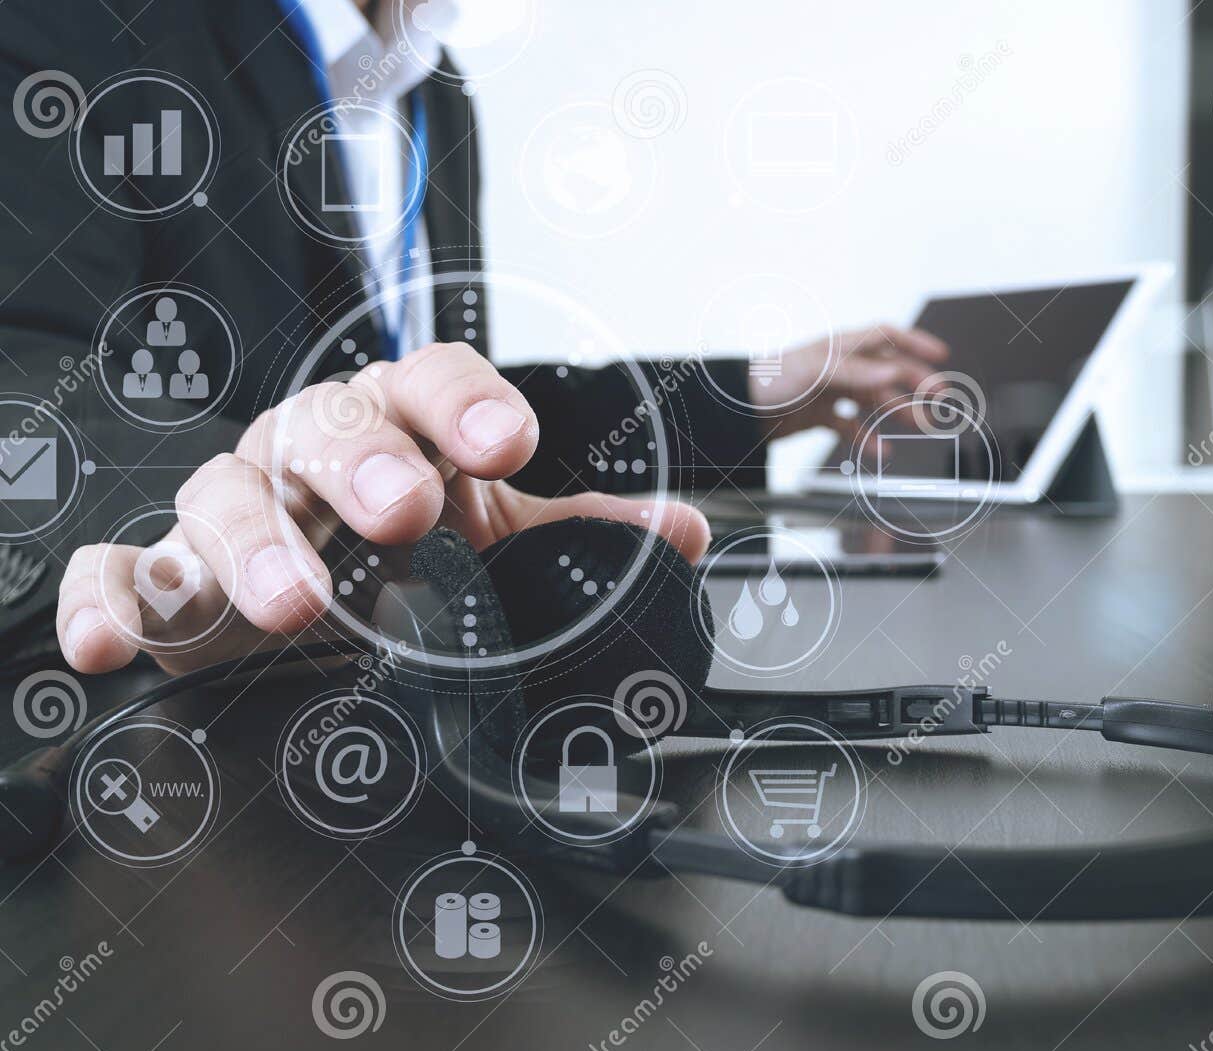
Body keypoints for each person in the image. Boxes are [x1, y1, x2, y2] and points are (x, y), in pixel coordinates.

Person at [0, 0, 949, 673]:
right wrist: (251, 519)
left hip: (411, 706)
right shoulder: (72, 27)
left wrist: (748, 389)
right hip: (158, 736)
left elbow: (462, 443)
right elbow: (27, 392)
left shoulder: (437, 89)